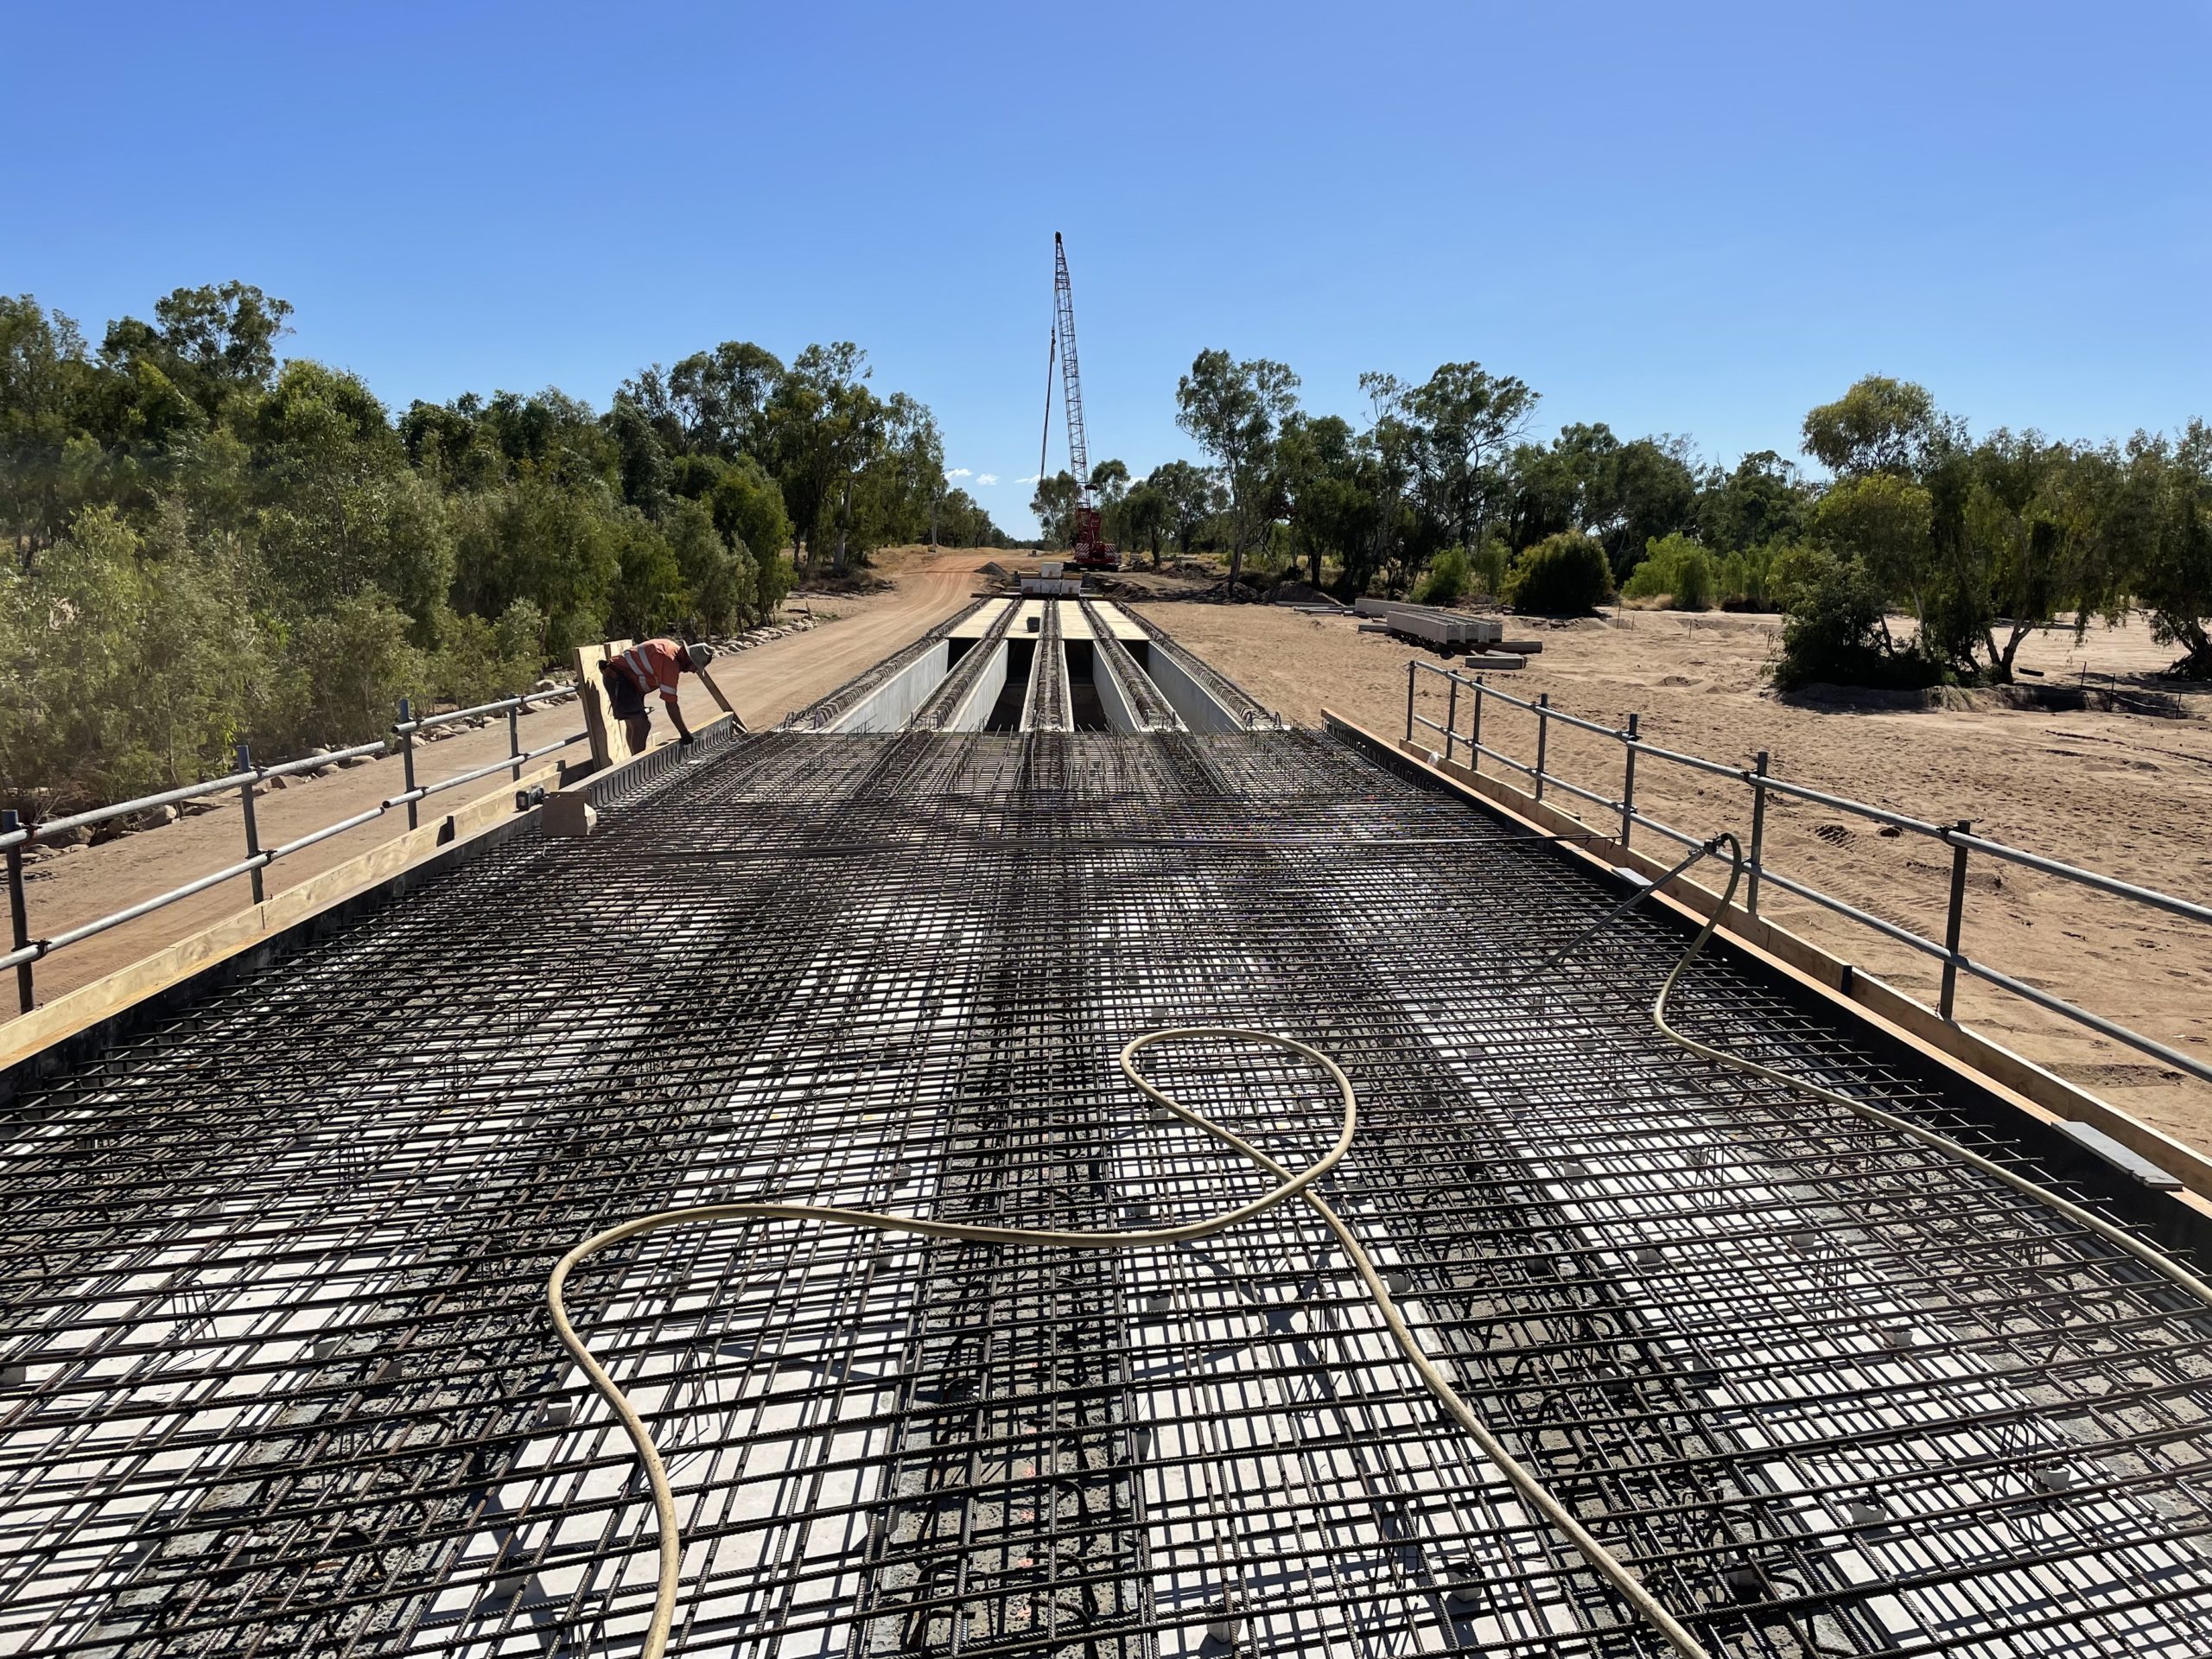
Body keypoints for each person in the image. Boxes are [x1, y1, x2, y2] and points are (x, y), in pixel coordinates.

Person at [600, 639, 715, 756]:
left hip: (621, 677)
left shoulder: (670, 647)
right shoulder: (669, 662)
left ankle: (634, 763)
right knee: (642, 725)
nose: (693, 671)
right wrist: (684, 732)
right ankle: (638, 767)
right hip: (619, 679)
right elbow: (670, 703)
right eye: (695, 666)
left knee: (634, 725)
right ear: (688, 659)